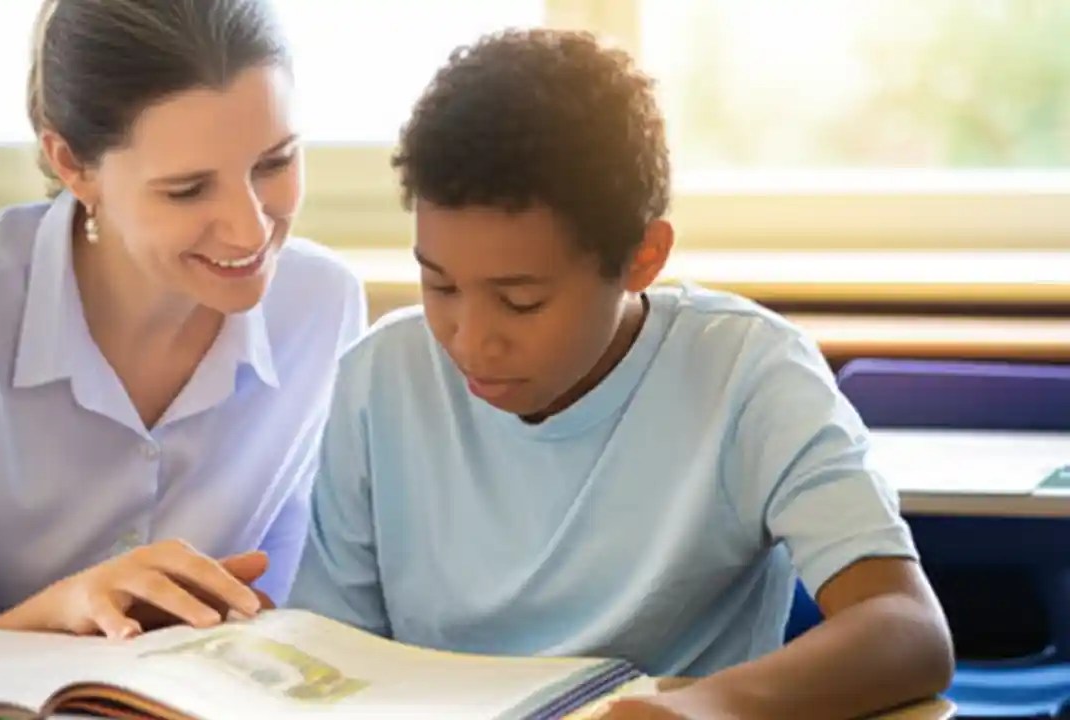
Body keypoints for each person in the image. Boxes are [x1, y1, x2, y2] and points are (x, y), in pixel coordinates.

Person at [285, 29, 954, 719]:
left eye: (521, 301)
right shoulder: (379, 378)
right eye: (440, 286)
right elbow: (331, 656)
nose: (471, 340)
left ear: (642, 258)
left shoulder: (748, 373)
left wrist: (708, 708)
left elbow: (906, 630)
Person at [0, 0, 365, 661]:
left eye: (275, 162)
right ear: (71, 164)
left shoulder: (322, 305)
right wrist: (69, 608)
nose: (252, 229)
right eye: (186, 190)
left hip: (156, 681)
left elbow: (282, 597)